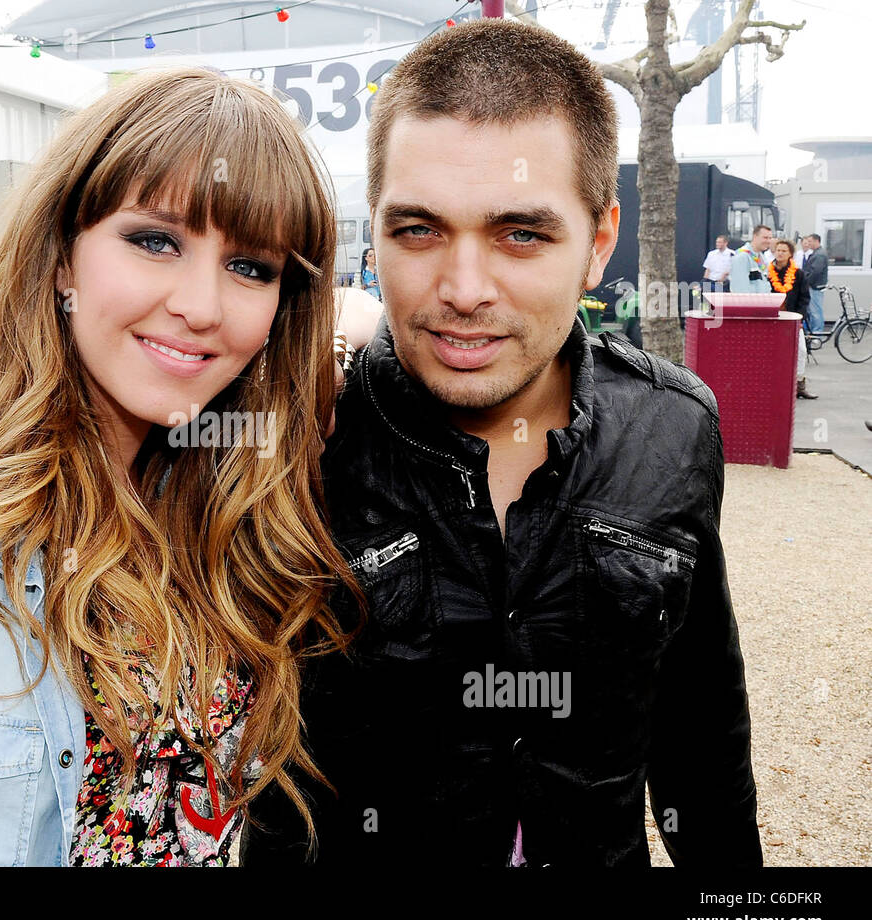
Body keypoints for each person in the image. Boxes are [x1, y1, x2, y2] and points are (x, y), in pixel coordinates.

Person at [0, 66, 369, 866]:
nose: (202, 305)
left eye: (250, 267)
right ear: (60, 258)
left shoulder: (250, 504)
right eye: (155, 241)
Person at [242, 17, 761, 867]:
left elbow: (698, 727)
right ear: (370, 236)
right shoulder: (299, 432)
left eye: (521, 233)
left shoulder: (675, 427)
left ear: (598, 243)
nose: (464, 289)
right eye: (418, 230)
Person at [769, 239, 817, 400]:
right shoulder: (767, 272)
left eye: (784, 250)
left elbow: (804, 298)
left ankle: (799, 385)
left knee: (801, 350)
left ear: (790, 254)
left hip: (793, 318)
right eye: (778, 250)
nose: (780, 253)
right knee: (773, 352)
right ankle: (775, 384)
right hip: (771, 319)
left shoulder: (798, 274)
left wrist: (799, 317)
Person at [730, 225, 773, 292]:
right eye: (765, 238)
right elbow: (740, 289)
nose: (768, 241)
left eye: (770, 238)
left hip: (762, 301)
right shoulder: (742, 257)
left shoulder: (762, 258)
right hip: (749, 302)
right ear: (755, 236)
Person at [800, 233, 829, 335]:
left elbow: (815, 272)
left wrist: (806, 283)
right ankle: (813, 332)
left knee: (815, 311)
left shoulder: (819, 254)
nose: (808, 243)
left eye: (810, 241)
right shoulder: (817, 253)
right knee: (812, 311)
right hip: (814, 286)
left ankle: (817, 333)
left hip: (814, 287)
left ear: (817, 241)